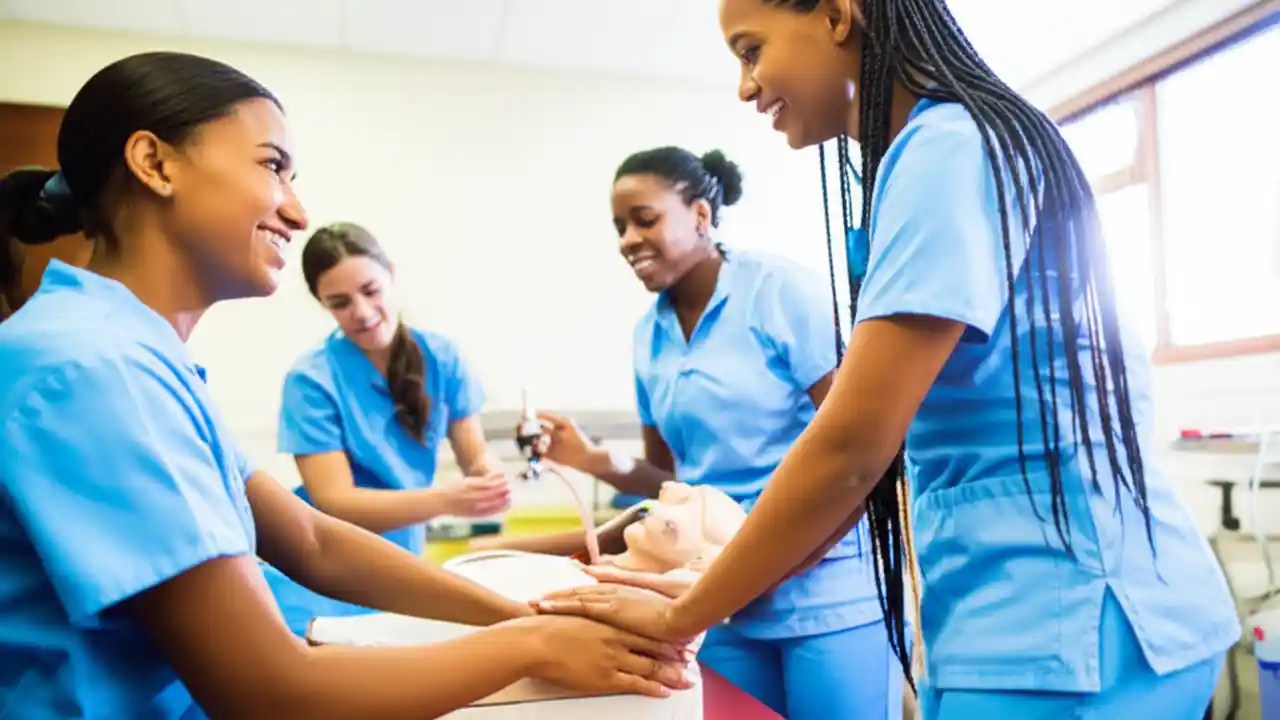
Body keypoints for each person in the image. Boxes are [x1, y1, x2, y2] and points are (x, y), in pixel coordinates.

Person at [535, 2, 1240, 719]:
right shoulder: (943, 147)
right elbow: (867, 452)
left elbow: (851, 448)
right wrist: (710, 585)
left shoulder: (946, 149)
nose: (745, 87)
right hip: (1062, 611)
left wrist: (686, 612)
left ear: (840, 14)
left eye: (752, 50)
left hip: (1067, 622)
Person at [0, 52, 689, 718]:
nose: (297, 213)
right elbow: (270, 692)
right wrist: (533, 642)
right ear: (154, 163)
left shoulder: (137, 358)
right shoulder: (90, 369)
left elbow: (309, 537)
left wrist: (523, 615)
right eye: (273, 167)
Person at [536, 146, 901, 719]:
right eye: (619, 227)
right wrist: (590, 458)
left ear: (701, 215)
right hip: (718, 601)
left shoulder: (780, 293)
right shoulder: (647, 338)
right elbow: (670, 482)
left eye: (645, 219)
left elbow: (862, 452)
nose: (628, 239)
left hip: (827, 592)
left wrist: (777, 564)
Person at [263, 222, 511, 635]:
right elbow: (335, 503)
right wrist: (446, 500)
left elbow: (475, 453)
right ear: (322, 304)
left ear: (391, 276)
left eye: (371, 291)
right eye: (340, 302)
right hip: (325, 567)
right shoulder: (310, 381)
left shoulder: (442, 356)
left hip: (402, 562)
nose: (360, 312)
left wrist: (489, 476)